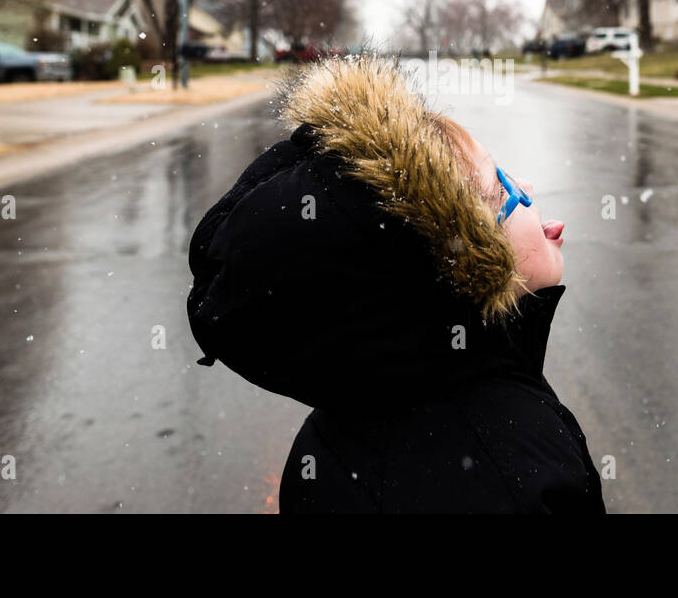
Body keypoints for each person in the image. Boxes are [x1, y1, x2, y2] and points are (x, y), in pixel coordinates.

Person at [187, 50, 605, 513]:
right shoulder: (505, 461)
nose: (525, 185)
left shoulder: (349, 420)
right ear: (457, 263)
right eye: (502, 187)